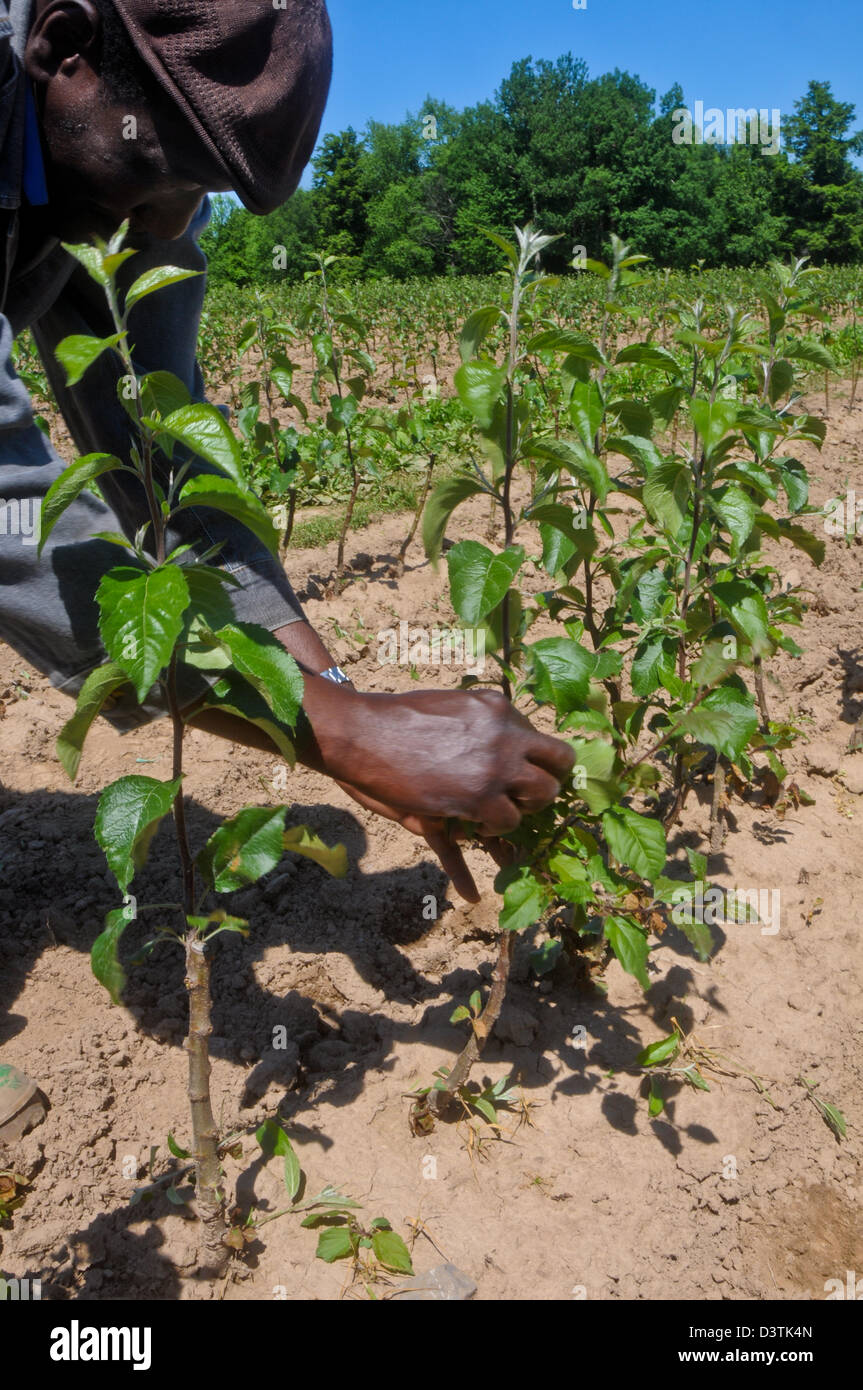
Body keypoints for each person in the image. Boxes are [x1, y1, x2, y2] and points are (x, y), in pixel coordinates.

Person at [0, 0, 574, 908]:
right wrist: (334, 730)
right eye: (160, 170)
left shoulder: (128, 188)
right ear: (62, 48)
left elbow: (170, 454)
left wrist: (336, 698)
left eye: (202, 193)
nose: (164, 227)